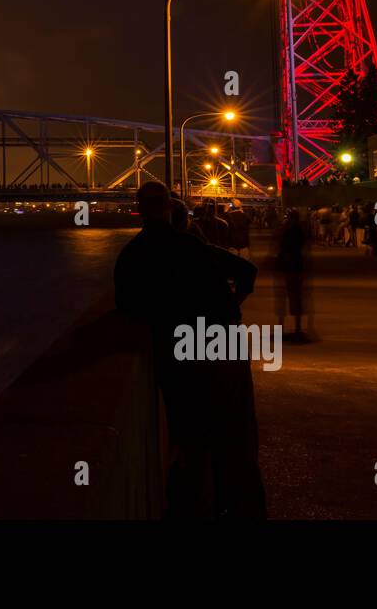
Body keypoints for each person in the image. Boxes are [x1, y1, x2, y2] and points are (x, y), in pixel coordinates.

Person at [115, 182, 265, 519]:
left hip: (179, 353)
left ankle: (200, 509)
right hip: (221, 341)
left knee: (193, 440)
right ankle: (244, 509)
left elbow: (128, 310)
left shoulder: (131, 256)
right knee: (237, 436)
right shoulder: (193, 245)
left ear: (139, 209)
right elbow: (248, 272)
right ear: (168, 206)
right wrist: (229, 306)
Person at [274, 208, 310, 342]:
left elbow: (281, 245)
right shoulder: (300, 230)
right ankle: (297, 327)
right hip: (296, 265)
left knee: (284, 298)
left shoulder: (286, 229)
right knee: (296, 298)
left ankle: (281, 327)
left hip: (286, 266)